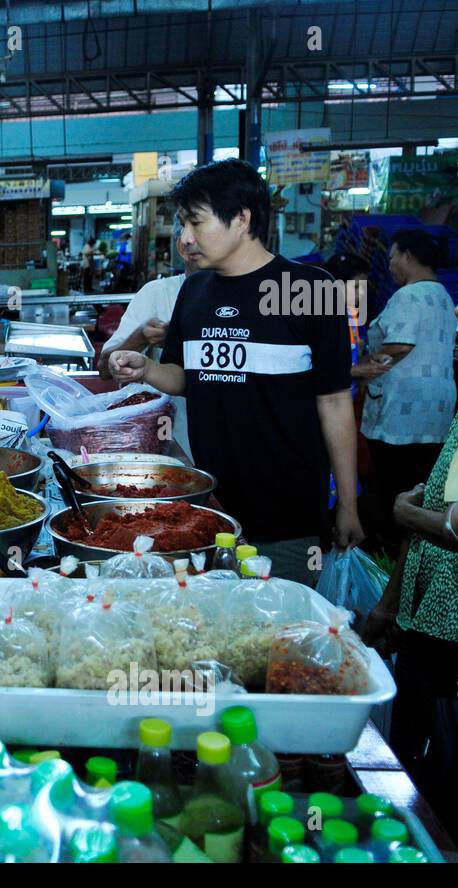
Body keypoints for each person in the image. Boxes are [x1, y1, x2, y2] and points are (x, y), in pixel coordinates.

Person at [108, 159, 364, 584]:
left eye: (196, 223)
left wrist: (349, 505)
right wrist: (148, 369)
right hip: (210, 506)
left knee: (278, 632)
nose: (185, 239)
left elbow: (335, 401)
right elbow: (188, 378)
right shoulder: (195, 290)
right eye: (182, 224)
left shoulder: (308, 290)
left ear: (242, 219)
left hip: (287, 515)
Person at [363, 224, 458, 863]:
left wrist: (413, 519)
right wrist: (393, 604)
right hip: (441, 621)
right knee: (427, 778)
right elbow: (440, 493)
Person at [353, 230, 457, 550]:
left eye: (393, 258)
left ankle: (392, 548)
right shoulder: (443, 295)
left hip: (403, 407)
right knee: (420, 480)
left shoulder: (409, 295)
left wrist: (364, 368)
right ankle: (412, 548)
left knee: (392, 482)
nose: (391, 266)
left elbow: (400, 343)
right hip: (436, 406)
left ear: (409, 257)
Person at [98, 226, 203, 458]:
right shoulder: (157, 294)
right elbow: (105, 369)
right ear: (183, 247)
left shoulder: (249, 297)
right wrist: (142, 338)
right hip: (173, 446)